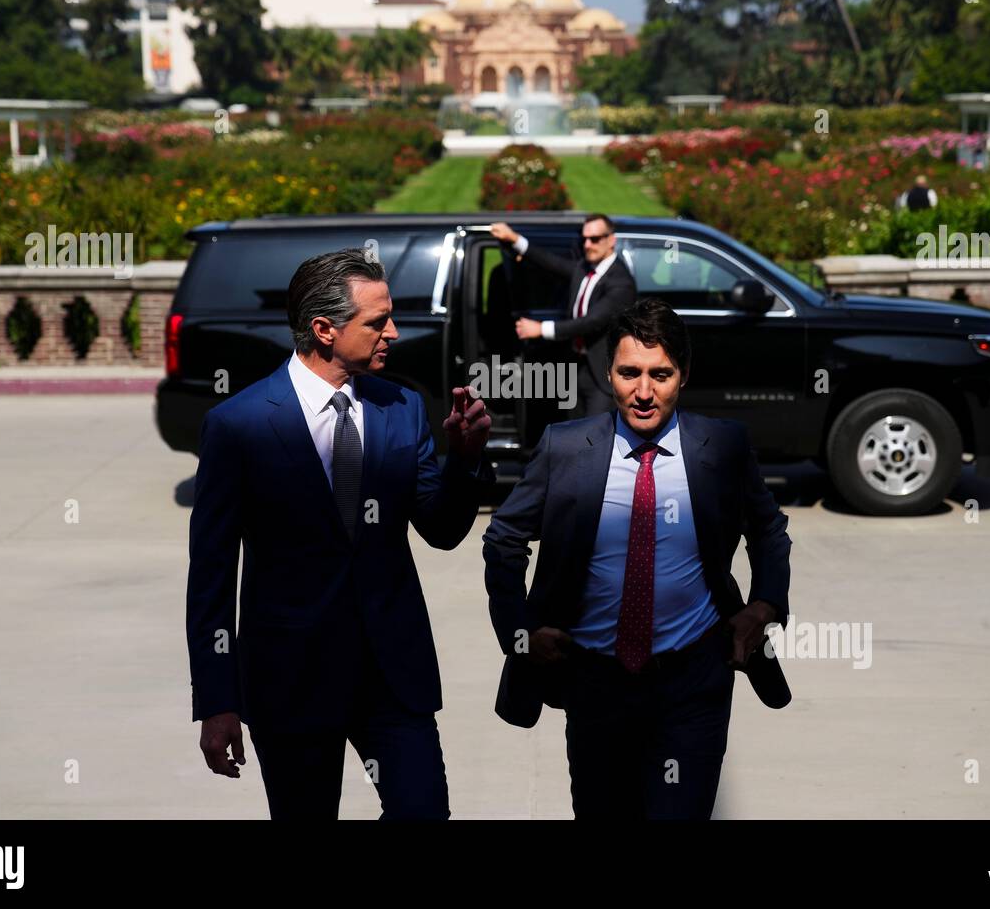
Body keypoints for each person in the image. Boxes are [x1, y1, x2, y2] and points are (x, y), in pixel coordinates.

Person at [186, 247, 493, 820]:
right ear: (324, 329)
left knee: (424, 811)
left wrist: (465, 459)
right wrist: (218, 699)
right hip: (291, 682)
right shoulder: (239, 426)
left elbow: (443, 529)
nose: (394, 333)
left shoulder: (401, 407)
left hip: (391, 677)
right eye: (377, 322)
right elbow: (210, 576)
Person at [482, 297, 793, 819]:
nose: (644, 393)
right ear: (608, 373)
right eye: (629, 373)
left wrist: (764, 605)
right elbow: (504, 538)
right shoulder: (565, 448)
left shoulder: (723, 446)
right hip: (595, 683)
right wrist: (521, 631)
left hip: (693, 680)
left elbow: (769, 529)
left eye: (660, 375)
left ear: (684, 375)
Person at [489, 214, 636, 417]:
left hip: (603, 376)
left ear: (611, 240)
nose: (587, 244)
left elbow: (592, 322)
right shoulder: (585, 269)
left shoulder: (621, 282)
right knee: (573, 430)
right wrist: (515, 239)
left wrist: (541, 329)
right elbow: (551, 262)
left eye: (594, 239)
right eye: (583, 238)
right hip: (577, 367)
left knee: (596, 435)